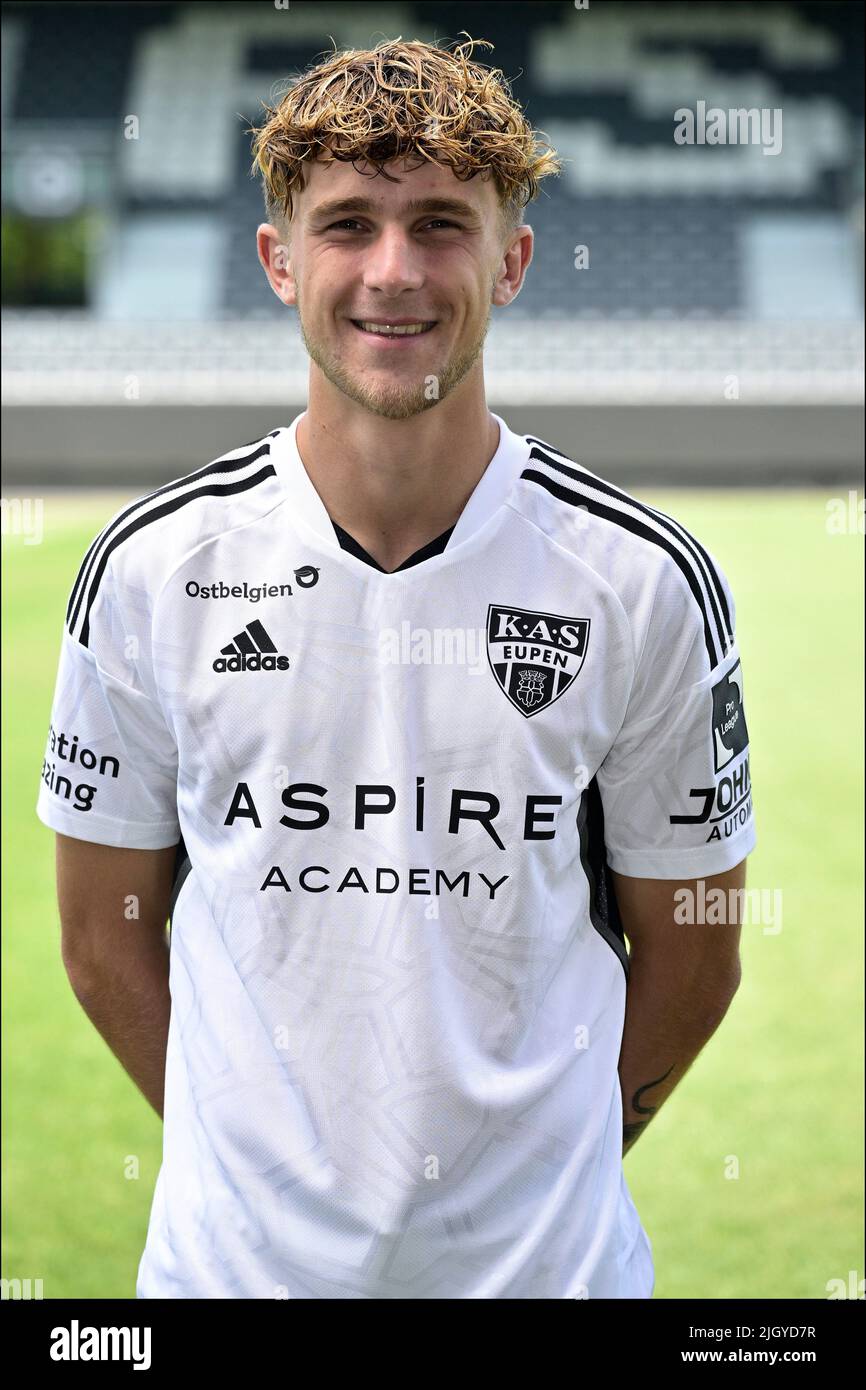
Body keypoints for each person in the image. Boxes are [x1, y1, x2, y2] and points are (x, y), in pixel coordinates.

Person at [37, 34, 755, 1299]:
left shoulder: (639, 580)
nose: (392, 272)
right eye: (346, 224)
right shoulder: (154, 567)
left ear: (512, 261)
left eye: (438, 224)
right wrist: (258, 1170)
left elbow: (693, 950)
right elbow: (104, 937)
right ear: (277, 261)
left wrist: (558, 1159)